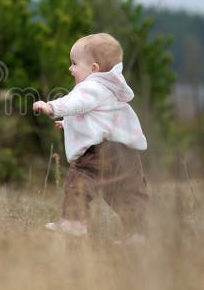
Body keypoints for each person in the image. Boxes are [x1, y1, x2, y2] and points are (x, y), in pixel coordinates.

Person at [32, 33, 148, 237]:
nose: (70, 68)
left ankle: (74, 222)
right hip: (125, 152)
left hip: (101, 150)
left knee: (80, 179)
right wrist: (67, 124)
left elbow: (76, 103)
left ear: (94, 68)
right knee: (125, 193)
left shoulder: (91, 86)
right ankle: (138, 233)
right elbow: (94, 117)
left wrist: (51, 107)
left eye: (74, 63)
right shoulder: (108, 89)